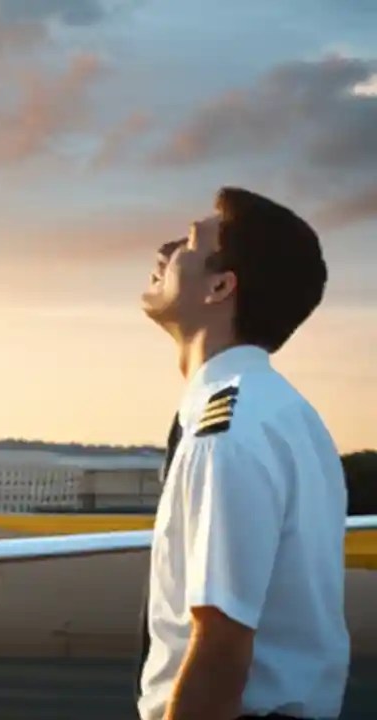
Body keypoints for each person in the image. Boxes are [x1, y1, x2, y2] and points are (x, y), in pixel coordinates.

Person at [136, 187, 350, 720]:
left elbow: (220, 646)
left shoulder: (228, 429)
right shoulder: (285, 414)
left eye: (189, 242)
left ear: (220, 286)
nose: (165, 250)